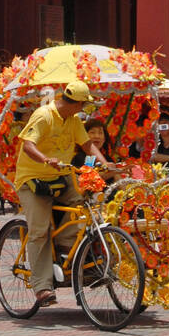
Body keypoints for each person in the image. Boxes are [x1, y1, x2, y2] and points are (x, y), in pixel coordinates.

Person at [14, 80, 113, 305]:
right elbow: (28, 145)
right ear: (74, 103)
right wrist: (46, 159)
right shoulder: (43, 116)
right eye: (83, 105)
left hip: (62, 175)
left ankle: (65, 248)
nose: (83, 109)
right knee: (40, 230)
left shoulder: (74, 120)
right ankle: (42, 287)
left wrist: (105, 164)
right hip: (33, 179)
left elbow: (87, 145)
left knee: (84, 205)